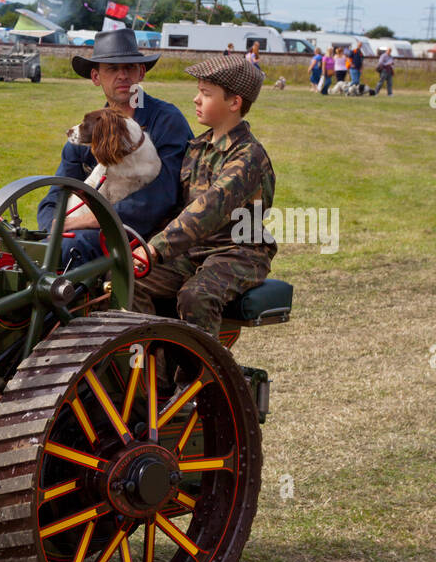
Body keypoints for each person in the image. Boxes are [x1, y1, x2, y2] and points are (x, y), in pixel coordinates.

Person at [131, 54, 275, 341]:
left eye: (206, 94)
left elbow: (209, 208)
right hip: (194, 251)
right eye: (198, 91)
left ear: (234, 103)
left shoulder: (248, 158)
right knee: (131, 283)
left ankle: (202, 379)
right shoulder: (198, 148)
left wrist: (156, 248)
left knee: (196, 296)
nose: (196, 99)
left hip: (239, 252)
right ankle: (151, 377)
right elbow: (177, 205)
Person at [36, 28, 193, 270]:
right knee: (33, 248)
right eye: (112, 69)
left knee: (70, 249)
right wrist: (51, 227)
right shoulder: (89, 131)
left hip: (148, 233)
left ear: (140, 72)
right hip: (86, 226)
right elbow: (58, 192)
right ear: (96, 77)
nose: (122, 76)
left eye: (129, 68)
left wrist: (87, 221)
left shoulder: (166, 121)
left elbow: (161, 197)